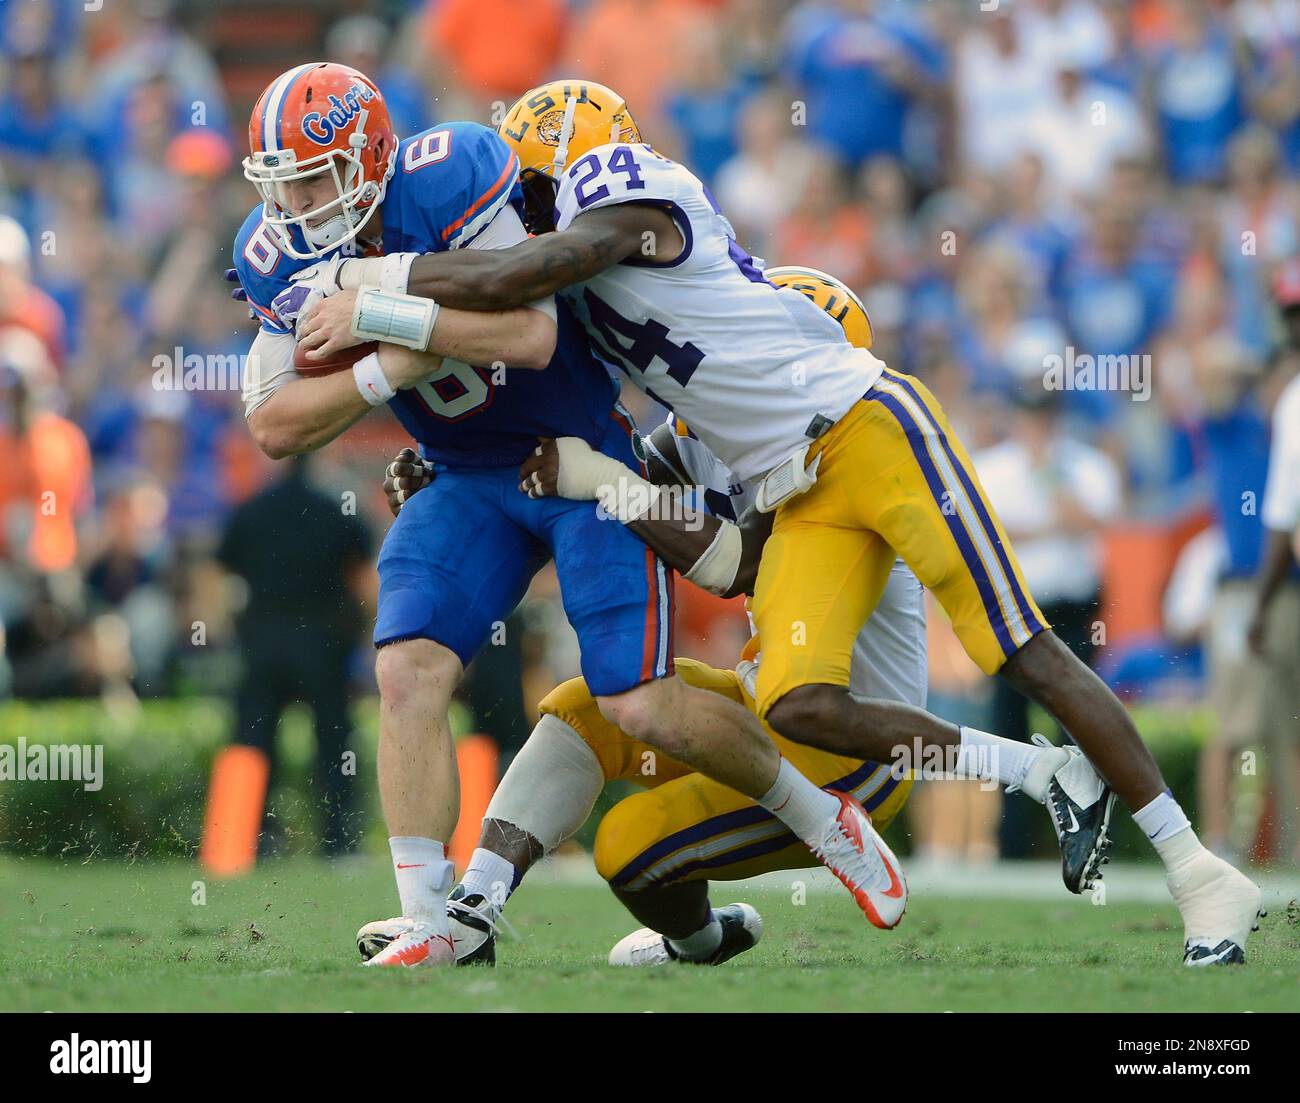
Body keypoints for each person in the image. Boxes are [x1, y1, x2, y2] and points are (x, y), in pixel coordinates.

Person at [299, 79, 1263, 964]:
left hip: (864, 430)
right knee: (742, 723)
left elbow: (536, 271)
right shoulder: (640, 352)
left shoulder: (621, 191)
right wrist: (462, 461)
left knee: (1017, 643)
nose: (519, 212)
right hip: (795, 490)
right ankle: (486, 912)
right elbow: (586, 442)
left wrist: (377, 285)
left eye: (530, 191)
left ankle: (1194, 867)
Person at [231, 63, 907, 965]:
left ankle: (825, 820)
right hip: (463, 473)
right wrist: (390, 364)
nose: (295, 203)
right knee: (406, 671)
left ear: (370, 156)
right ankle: (432, 918)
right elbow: (275, 425)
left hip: (578, 458)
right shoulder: (272, 250)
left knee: (641, 702)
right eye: (281, 183)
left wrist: (382, 313)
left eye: (314, 178)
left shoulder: (453, 171)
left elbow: (529, 333)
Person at [360, 268, 1112, 967]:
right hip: (763, 701)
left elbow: (732, 564)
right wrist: (465, 485)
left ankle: (701, 939)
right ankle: (473, 908)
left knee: (627, 846)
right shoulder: (712, 429)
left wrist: (606, 480)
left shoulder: (838, 454)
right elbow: (590, 495)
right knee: (583, 709)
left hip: (851, 749)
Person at [213, 454, 372, 854]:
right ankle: (339, 840)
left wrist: (229, 630)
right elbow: (364, 578)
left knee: (253, 739)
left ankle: (250, 839)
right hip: (323, 642)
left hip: (262, 642)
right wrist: (365, 636)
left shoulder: (252, 509)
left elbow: (220, 574)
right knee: (334, 742)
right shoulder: (335, 507)